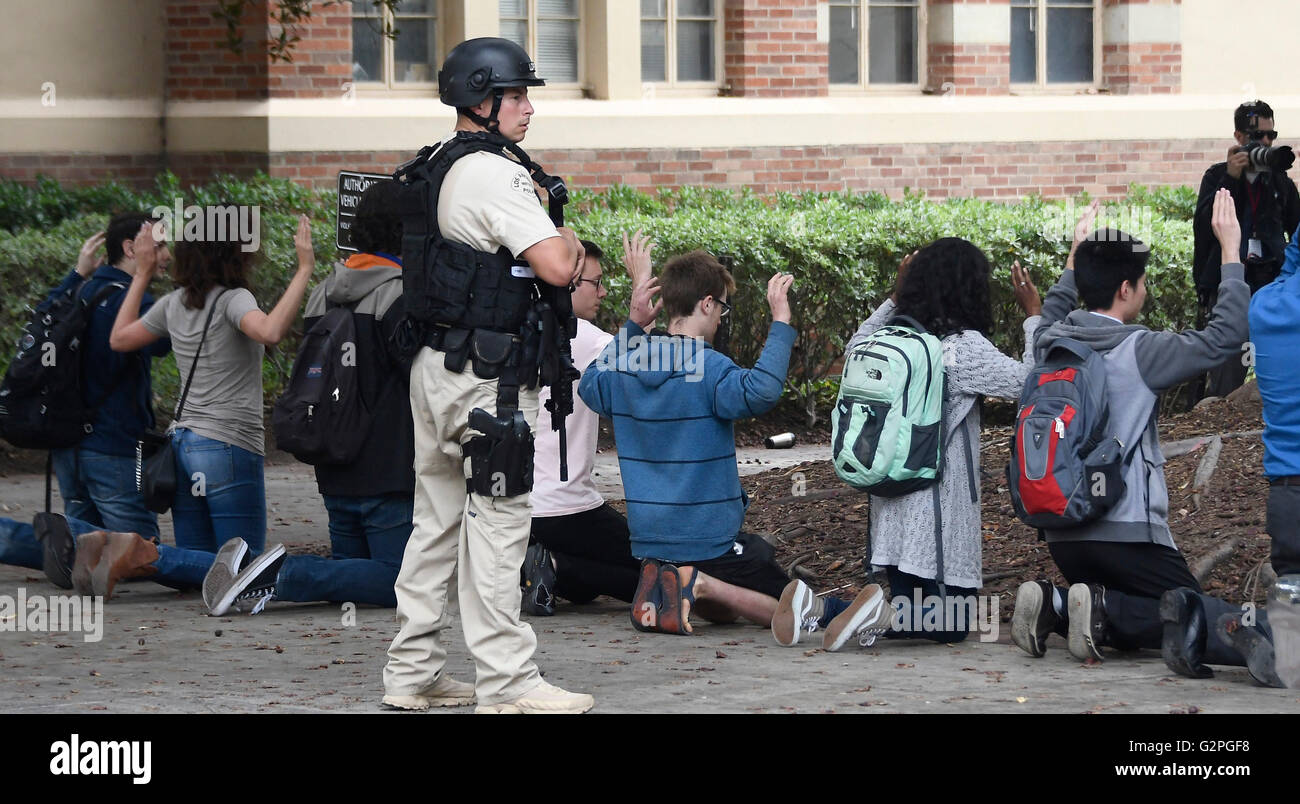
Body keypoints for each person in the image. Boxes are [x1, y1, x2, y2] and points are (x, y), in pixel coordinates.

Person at [381, 37, 593, 714]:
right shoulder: (496, 174)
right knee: (500, 527)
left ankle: (411, 675)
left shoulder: (436, 165)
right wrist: (569, 236)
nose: (529, 108)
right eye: (518, 95)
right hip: (490, 382)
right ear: (482, 99)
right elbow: (560, 267)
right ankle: (507, 684)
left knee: (435, 523)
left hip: (436, 371)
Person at [1012, 190, 1279, 684]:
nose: (1146, 290)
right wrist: (1230, 253)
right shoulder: (1141, 350)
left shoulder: (1049, 342)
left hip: (1063, 534)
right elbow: (1223, 339)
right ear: (1126, 289)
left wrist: (1075, 257)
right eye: (1143, 283)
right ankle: (1277, 641)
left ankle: (1064, 605)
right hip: (1128, 531)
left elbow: (1051, 307)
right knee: (1191, 611)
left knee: (1145, 615)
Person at [791, 236, 1048, 652]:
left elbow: (855, 344)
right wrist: (1034, 316)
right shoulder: (962, 348)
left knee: (917, 610)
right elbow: (1032, 385)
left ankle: (819, 608)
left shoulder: (884, 340)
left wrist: (895, 296)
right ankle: (875, 612)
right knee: (953, 622)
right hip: (938, 521)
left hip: (890, 507)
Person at [580, 249, 837, 637]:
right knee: (812, 609)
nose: (720, 318)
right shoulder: (709, 367)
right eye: (721, 309)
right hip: (706, 538)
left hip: (651, 540)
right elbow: (762, 391)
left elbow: (589, 385)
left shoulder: (629, 365)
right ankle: (695, 583)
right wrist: (781, 321)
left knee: (726, 613)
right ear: (706, 303)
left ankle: (682, 584)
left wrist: (634, 323)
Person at [199, 182, 417, 615]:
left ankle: (258, 572)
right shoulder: (401, 295)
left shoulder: (324, 290)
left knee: (353, 576)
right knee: (402, 581)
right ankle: (275, 575)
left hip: (332, 461)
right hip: (388, 467)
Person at [107, 210, 318, 605]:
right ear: (233, 254)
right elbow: (270, 331)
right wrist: (304, 269)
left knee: (203, 566)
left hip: (183, 447)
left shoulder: (173, 304)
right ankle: (137, 554)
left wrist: (141, 274)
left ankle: (130, 554)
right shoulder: (233, 300)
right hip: (227, 445)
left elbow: (119, 338)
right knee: (243, 565)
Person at [522, 235, 657, 614]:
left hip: (518, 509)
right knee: (660, 575)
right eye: (594, 283)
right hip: (567, 509)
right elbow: (644, 366)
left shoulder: (518, 326)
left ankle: (544, 566)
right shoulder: (582, 337)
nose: (600, 293)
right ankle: (553, 565)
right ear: (566, 281)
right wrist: (641, 282)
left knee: (585, 593)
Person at [1222, 220, 1300, 688]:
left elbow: (1287, 267)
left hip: (1287, 495)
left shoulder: (1266, 305)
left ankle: (1281, 646)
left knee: (1292, 586)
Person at [1192, 100, 1300, 399]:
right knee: (1229, 366)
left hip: (1272, 282)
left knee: (1279, 365)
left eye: (1271, 135)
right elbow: (1203, 229)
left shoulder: (1279, 181)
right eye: (1258, 137)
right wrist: (1231, 179)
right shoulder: (1217, 177)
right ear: (1239, 137)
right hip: (1232, 282)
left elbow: (1297, 228)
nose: (1265, 142)